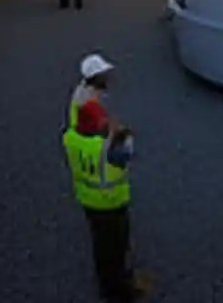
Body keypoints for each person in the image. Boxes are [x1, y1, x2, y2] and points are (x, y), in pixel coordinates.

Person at [63, 91, 145, 302]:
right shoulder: (106, 149)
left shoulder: (70, 139)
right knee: (117, 247)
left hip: (88, 202)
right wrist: (123, 135)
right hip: (111, 203)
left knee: (100, 246)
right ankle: (119, 292)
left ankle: (104, 285)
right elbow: (127, 155)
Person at [68, 53, 115, 129]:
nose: (107, 76)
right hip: (88, 137)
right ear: (95, 77)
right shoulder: (88, 98)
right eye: (103, 74)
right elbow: (102, 123)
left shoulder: (85, 88)